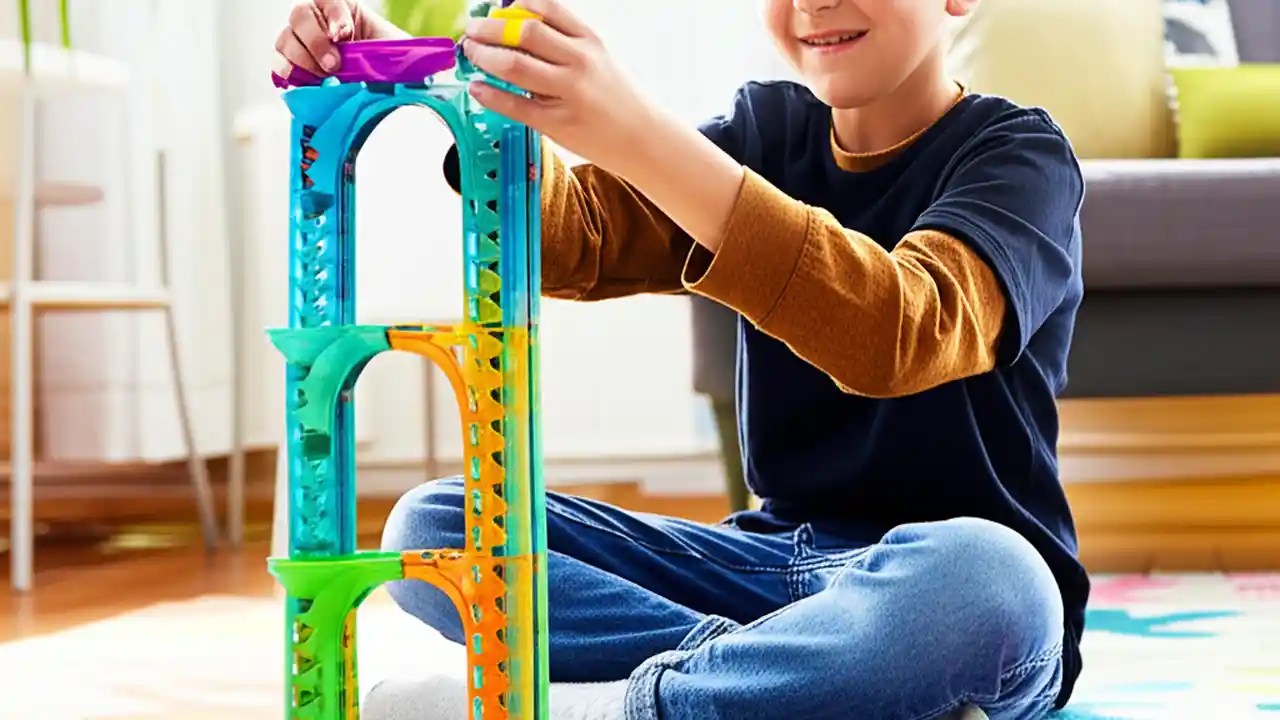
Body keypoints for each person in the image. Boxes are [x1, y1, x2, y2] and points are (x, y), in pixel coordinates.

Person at [273, 0, 1089, 718]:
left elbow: (899, 330)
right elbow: (576, 237)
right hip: (766, 565)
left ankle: (650, 705)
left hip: (943, 586)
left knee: (990, 580)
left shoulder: (1021, 158)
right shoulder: (765, 132)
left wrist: (631, 128)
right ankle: (810, 690)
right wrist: (439, 86)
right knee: (436, 525)